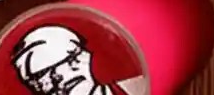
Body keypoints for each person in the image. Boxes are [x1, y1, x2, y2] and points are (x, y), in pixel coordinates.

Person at [11, 24, 140, 95]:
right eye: (35, 81)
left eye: (52, 72)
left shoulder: (134, 88)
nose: (49, 84)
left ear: (82, 58)